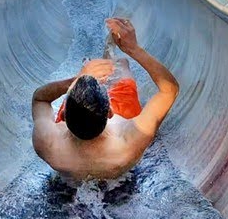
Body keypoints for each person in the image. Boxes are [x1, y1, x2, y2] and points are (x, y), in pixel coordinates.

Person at [30, 18, 179, 181]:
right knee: (121, 65)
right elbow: (169, 90)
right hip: (116, 151)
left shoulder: (49, 143)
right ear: (110, 112)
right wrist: (134, 49)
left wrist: (77, 78)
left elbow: (40, 98)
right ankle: (110, 54)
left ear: (64, 114)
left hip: (69, 156)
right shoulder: (130, 139)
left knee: (86, 93)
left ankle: (98, 65)